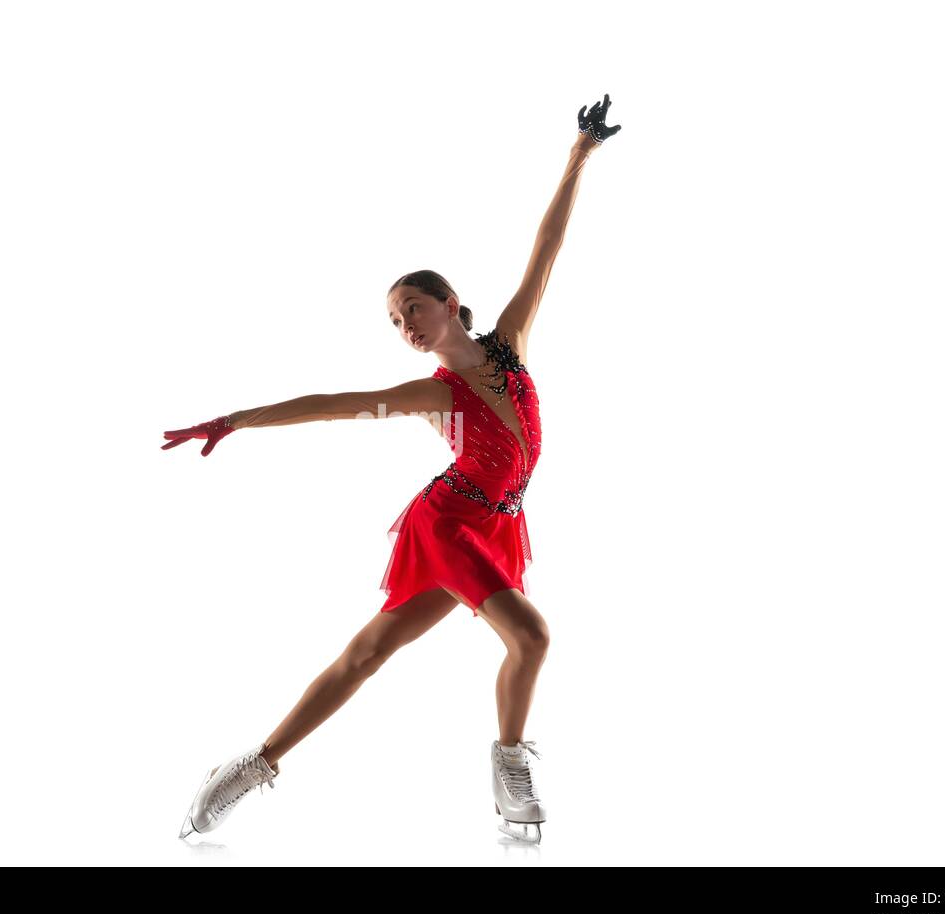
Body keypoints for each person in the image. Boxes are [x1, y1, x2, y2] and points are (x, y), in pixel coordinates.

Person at [165, 95, 619, 844]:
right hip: (448, 523)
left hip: (497, 526)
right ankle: (509, 766)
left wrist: (578, 155)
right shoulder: (428, 393)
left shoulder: (510, 344)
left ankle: (248, 766)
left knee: (368, 654)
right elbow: (336, 404)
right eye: (394, 320)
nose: (405, 325)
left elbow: (547, 248)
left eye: (413, 308)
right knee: (531, 637)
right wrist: (238, 419)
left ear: (452, 304)